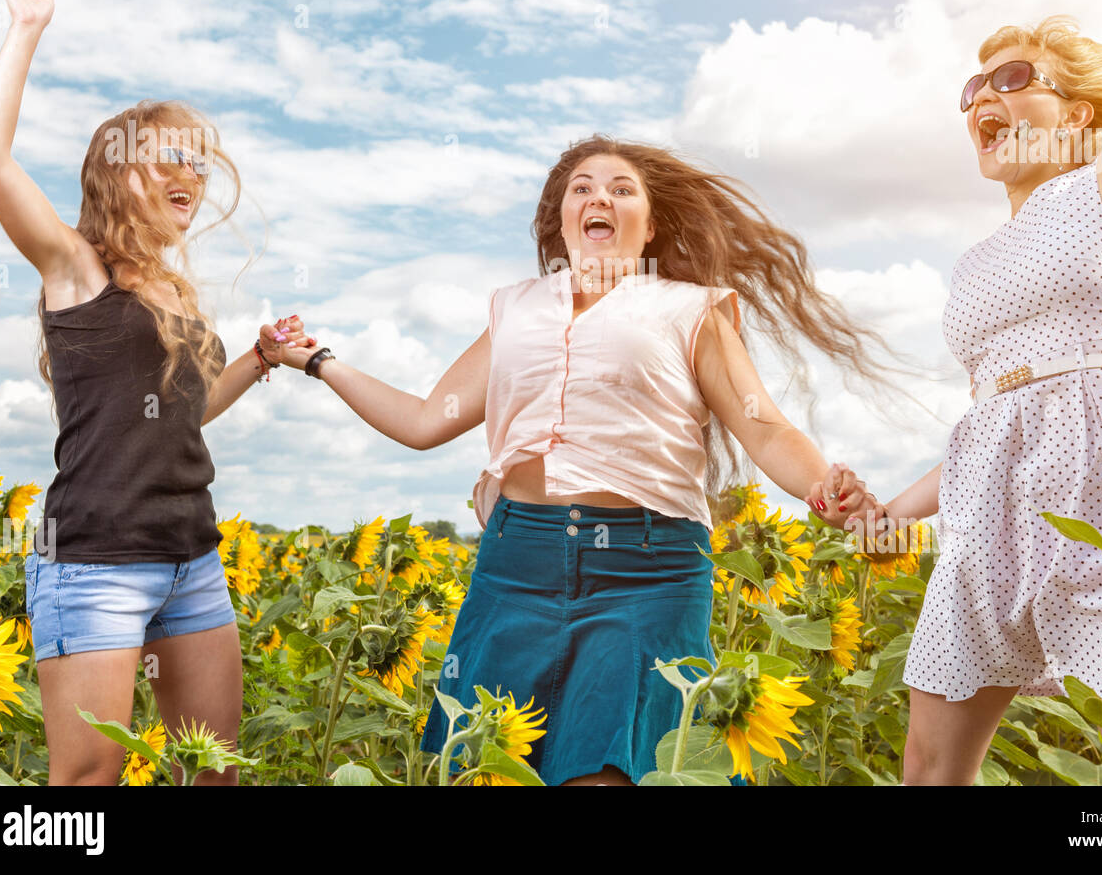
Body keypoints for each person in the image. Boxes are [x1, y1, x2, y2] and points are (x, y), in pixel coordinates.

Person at [271, 134, 895, 785]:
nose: (600, 195)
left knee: (608, 773)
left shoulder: (689, 308)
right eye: (582, 187)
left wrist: (824, 488)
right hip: (516, 564)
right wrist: (318, 361)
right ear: (562, 219)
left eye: (622, 188)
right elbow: (426, 419)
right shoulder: (515, 308)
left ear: (650, 225)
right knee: (493, 766)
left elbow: (763, 424)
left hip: (646, 571)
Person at [830, 16, 1102, 785]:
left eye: (1014, 78)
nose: (983, 97)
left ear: (1078, 113)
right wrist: (890, 513)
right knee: (928, 764)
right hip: (994, 513)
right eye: (973, 88)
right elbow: (993, 417)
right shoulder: (976, 264)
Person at [0, 0, 313, 785]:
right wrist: (26, 28)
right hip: (93, 561)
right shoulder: (75, 269)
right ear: (118, 174)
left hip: (191, 559)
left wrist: (261, 359)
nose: (191, 172)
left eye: (199, 159)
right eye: (170, 156)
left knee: (215, 774)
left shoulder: (183, 298)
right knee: (88, 788)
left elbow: (185, 414)